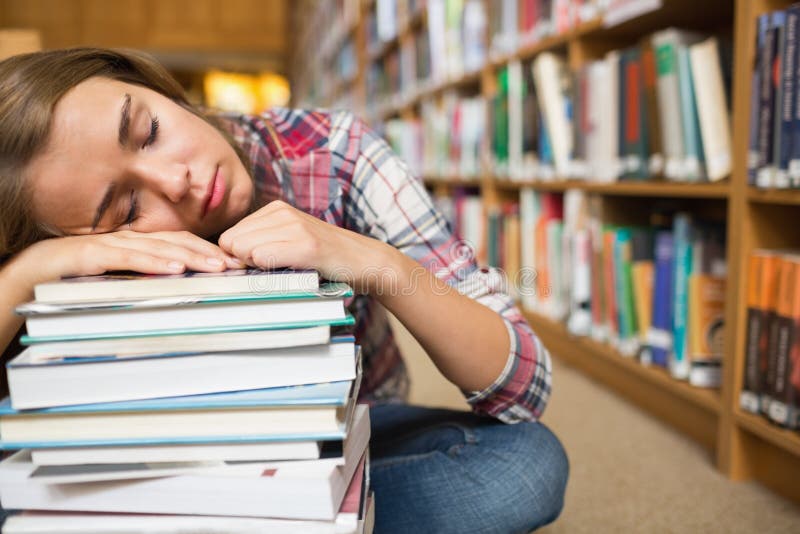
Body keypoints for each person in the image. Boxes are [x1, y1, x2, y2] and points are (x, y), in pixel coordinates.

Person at [0, 48, 568, 533]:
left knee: (527, 467)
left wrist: (369, 260)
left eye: (149, 132)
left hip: (334, 437)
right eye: (125, 209)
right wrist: (26, 274)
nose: (177, 180)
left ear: (158, 88)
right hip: (150, 467)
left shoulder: (334, 152)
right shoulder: (49, 247)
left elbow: (523, 387)